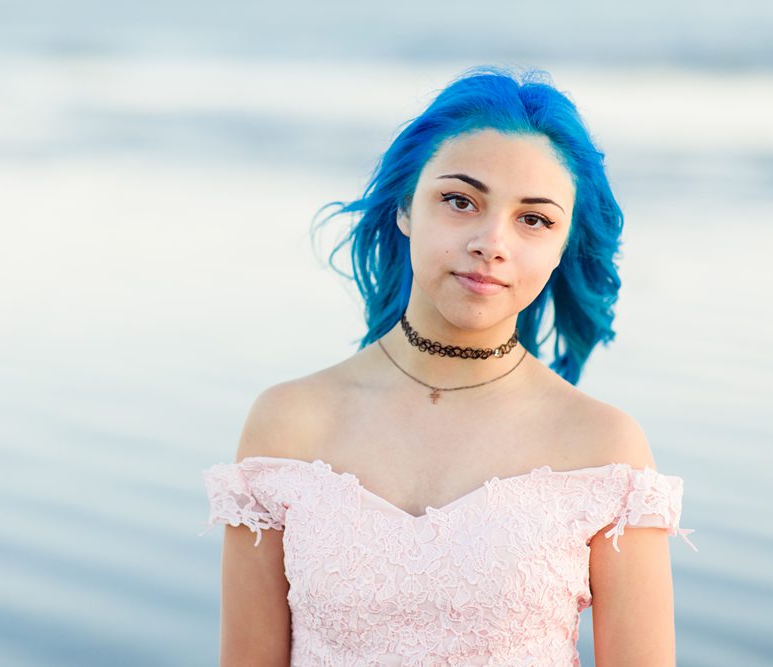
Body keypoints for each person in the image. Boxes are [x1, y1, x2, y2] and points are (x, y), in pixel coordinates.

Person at [199, 65, 697, 666]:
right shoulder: (289, 425)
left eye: (534, 219)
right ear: (406, 208)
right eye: (460, 201)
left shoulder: (603, 448)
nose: (492, 243)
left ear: (562, 245)